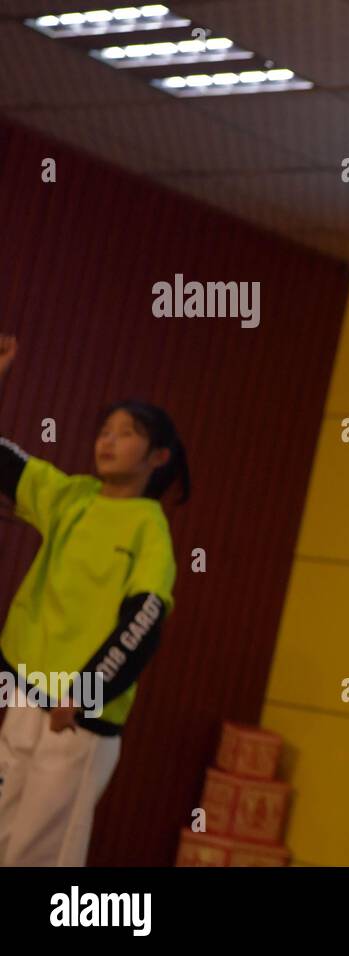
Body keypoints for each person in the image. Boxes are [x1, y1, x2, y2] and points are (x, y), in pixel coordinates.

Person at [0, 333, 184, 866]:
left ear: (158, 456)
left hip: (75, 716)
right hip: (25, 697)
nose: (108, 440)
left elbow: (144, 621)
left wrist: (86, 691)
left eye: (127, 434)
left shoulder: (150, 530)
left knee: (42, 855)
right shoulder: (71, 496)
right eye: (104, 430)